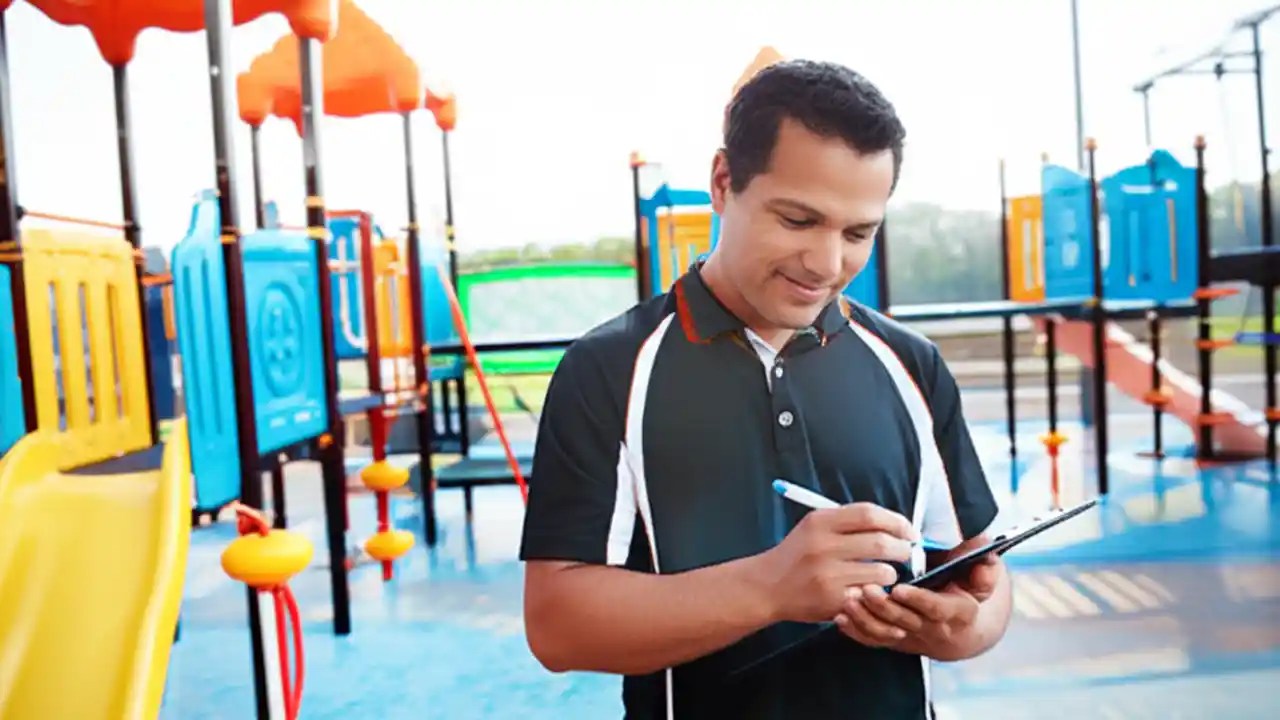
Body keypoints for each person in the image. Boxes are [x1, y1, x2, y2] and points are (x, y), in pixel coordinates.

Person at [519, 58, 1012, 719]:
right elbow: (556, 625)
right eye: (798, 220)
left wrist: (961, 629)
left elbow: (981, 578)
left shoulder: (910, 363)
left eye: (858, 233)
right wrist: (772, 588)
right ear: (723, 182)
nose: (827, 264)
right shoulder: (609, 370)